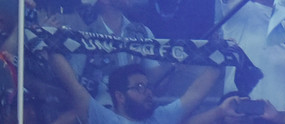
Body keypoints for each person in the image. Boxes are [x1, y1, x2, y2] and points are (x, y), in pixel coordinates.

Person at [49, 56, 219, 124]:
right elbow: (73, 86)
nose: (148, 92)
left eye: (148, 86)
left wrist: (219, 58)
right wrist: (51, 45)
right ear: (120, 97)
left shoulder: (160, 117)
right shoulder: (105, 119)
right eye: (139, 87)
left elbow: (195, 94)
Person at [76, 0, 156, 102]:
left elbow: (154, 74)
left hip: (137, 113)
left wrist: (175, 65)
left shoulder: (143, 32)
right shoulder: (84, 38)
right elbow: (73, 81)